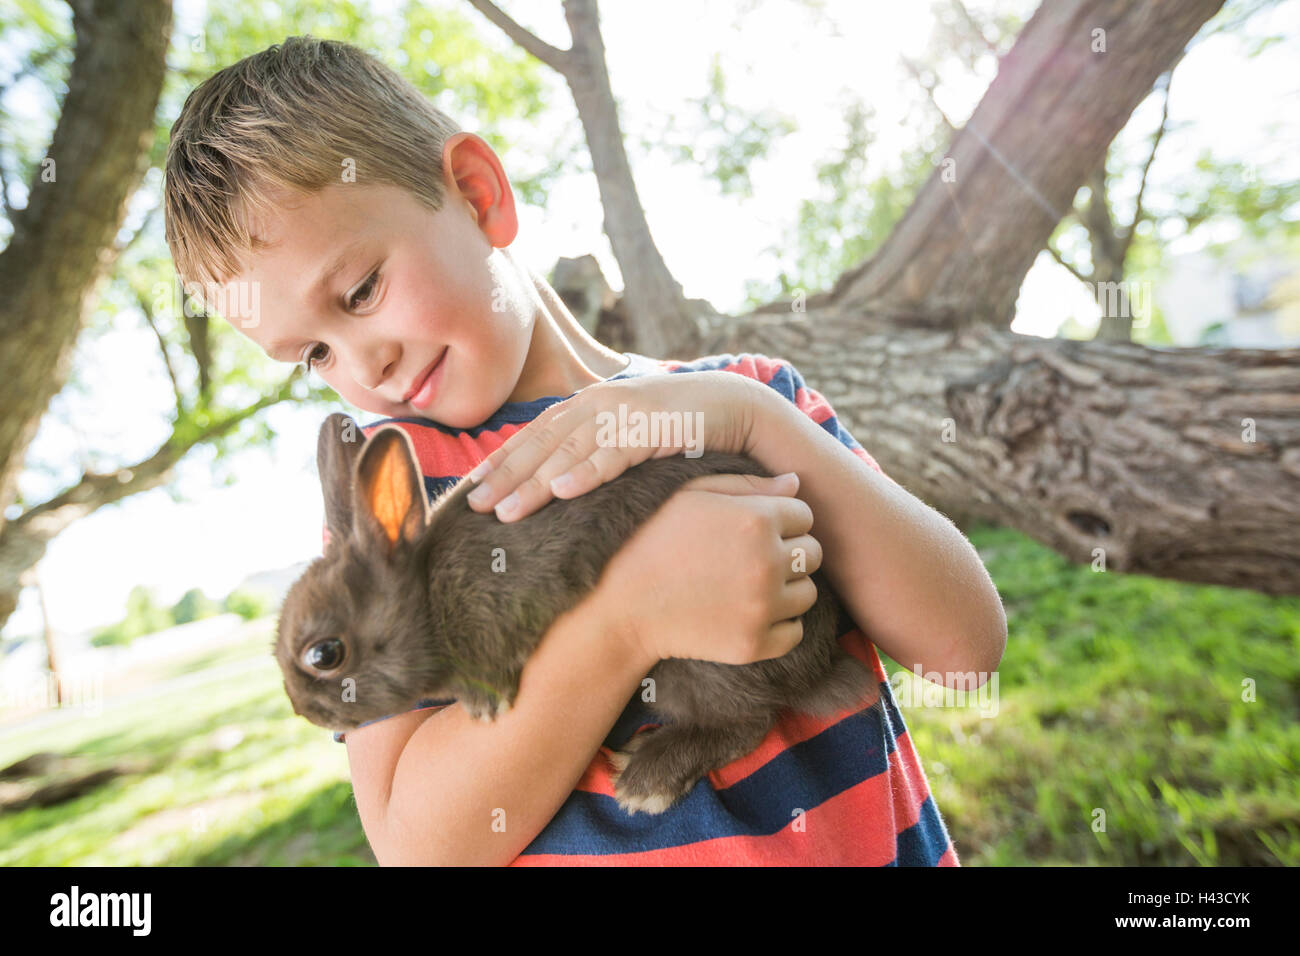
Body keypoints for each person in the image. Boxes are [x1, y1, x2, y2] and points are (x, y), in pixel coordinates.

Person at [163, 35, 1006, 865]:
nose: (363, 366)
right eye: (314, 356)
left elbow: (966, 646)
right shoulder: (404, 505)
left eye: (361, 292)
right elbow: (420, 849)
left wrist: (753, 423)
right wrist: (626, 620)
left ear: (476, 193)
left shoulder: (746, 396)